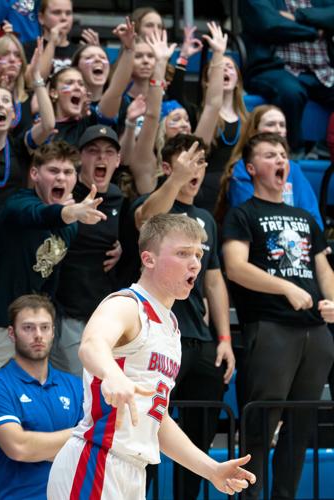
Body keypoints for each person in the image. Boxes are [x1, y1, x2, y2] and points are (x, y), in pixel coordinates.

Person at [47, 213, 255, 499]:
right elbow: (92, 344)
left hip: (134, 469)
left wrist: (211, 470)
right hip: (97, 459)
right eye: (182, 253)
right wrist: (113, 374)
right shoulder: (127, 305)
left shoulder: (170, 326)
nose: (195, 262)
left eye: (198, 254)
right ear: (148, 259)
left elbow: (157, 419)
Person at [0, 140, 106, 489]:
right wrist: (69, 212)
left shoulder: (70, 226)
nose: (62, 177)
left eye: (68, 171)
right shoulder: (18, 204)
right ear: (35, 174)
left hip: (31, 330)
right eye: (53, 170)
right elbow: (38, 215)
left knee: (39, 419)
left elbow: (49, 276)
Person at [222, 132, 334, 499]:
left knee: (300, 425)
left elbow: (323, 270)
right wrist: (284, 287)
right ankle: (249, 496)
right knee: (261, 421)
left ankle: (284, 496)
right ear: (252, 168)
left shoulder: (304, 217)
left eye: (283, 154)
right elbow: (236, 268)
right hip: (271, 327)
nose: (280, 160)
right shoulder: (243, 214)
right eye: (270, 155)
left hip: (315, 332)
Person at [132, 135, 236, 499]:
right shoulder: (152, 205)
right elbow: (148, 219)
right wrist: (175, 180)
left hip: (199, 339)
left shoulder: (206, 217)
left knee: (198, 440)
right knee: (145, 431)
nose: (196, 168)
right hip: (156, 337)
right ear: (167, 167)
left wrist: (224, 338)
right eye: (187, 161)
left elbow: (214, 281)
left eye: (201, 161)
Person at [0, 293, 83, 500]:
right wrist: (80, 435)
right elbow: (19, 447)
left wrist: (40, 447)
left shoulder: (75, 386)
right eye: (28, 328)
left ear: (53, 332)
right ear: (11, 333)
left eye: (44, 327)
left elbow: (92, 450)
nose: (38, 335)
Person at [52, 126, 124, 377]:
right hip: (69, 312)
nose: (101, 157)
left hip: (107, 317)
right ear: (80, 158)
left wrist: (125, 247)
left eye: (108, 152)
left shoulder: (119, 198)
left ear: (118, 160)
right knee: (77, 392)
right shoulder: (66, 195)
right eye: (93, 151)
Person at [239, 0, 334, 154]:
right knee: (290, 92)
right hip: (276, 68)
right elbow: (269, 24)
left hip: (323, 71)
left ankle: (325, 147)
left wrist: (298, 16)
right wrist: (315, 31)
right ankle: (292, 152)